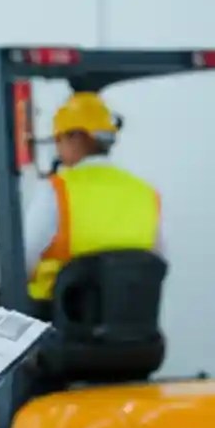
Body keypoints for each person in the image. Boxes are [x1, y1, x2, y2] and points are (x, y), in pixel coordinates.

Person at [22, 91, 165, 319]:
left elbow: (19, 265)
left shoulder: (57, 191)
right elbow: (156, 260)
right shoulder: (145, 192)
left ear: (75, 137)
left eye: (58, 139)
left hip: (55, 327)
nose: (57, 148)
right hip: (130, 330)